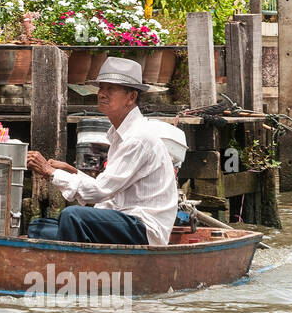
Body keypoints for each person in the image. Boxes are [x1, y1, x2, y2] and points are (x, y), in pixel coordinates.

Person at [26, 56, 178, 246]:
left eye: (111, 89)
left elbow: (100, 191)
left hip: (144, 227)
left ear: (131, 97)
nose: (102, 94)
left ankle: (78, 269)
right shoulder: (118, 133)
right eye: (101, 88)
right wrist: (72, 172)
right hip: (121, 218)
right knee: (38, 227)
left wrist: (51, 172)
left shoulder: (139, 137)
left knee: (72, 216)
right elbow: (108, 189)